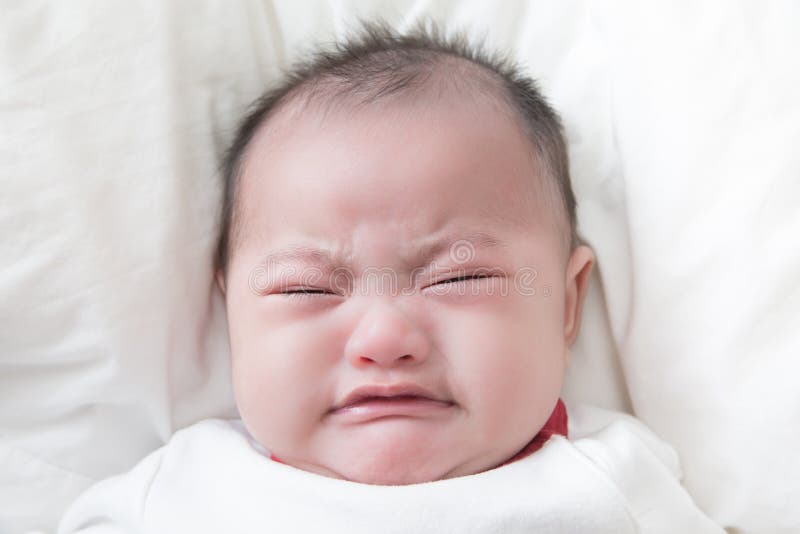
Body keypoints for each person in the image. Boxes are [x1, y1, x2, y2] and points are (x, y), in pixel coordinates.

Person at [57, 21, 724, 533]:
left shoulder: (611, 480)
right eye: (306, 288)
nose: (383, 337)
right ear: (230, 313)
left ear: (568, 305)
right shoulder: (184, 489)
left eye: (459, 279)